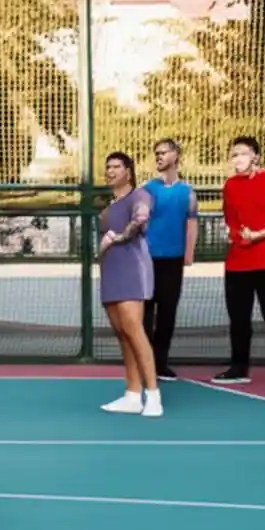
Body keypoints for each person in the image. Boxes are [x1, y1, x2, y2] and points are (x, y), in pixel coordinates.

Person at [213, 136, 265, 385]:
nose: (237, 159)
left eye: (242, 154)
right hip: (238, 260)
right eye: (233, 155)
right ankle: (238, 369)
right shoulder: (229, 186)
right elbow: (231, 219)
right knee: (238, 317)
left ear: (255, 157)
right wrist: (235, 236)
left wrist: (258, 235)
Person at [98, 152, 162, 416]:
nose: (111, 171)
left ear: (128, 171)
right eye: (108, 166)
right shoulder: (108, 208)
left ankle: (154, 396)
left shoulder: (140, 195)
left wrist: (119, 237)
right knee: (122, 334)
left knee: (135, 330)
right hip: (111, 271)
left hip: (132, 270)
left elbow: (141, 218)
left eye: (116, 167)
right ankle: (132, 394)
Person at [141, 139, 197, 381]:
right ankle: (144, 361)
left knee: (167, 313)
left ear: (176, 155)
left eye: (164, 152)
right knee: (145, 312)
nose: (159, 157)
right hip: (147, 258)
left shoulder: (187, 192)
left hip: (172, 260)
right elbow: (139, 220)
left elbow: (191, 223)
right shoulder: (148, 189)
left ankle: (161, 363)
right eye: (156, 153)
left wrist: (188, 254)